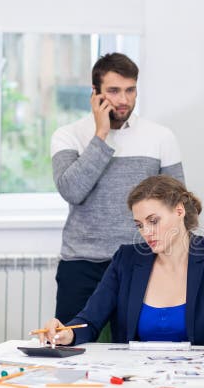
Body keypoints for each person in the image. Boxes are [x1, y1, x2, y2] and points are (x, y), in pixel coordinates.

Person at [37, 175, 204, 349]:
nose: (146, 232)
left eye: (153, 221)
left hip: (198, 383)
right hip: (135, 380)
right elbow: (90, 321)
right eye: (139, 225)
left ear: (179, 211)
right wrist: (68, 333)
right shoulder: (126, 259)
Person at [50, 53, 185, 324]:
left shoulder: (161, 137)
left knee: (136, 350)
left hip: (143, 261)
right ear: (95, 94)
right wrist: (101, 135)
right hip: (82, 265)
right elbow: (73, 191)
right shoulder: (68, 135)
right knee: (72, 348)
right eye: (113, 91)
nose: (124, 100)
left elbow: (180, 206)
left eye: (130, 90)